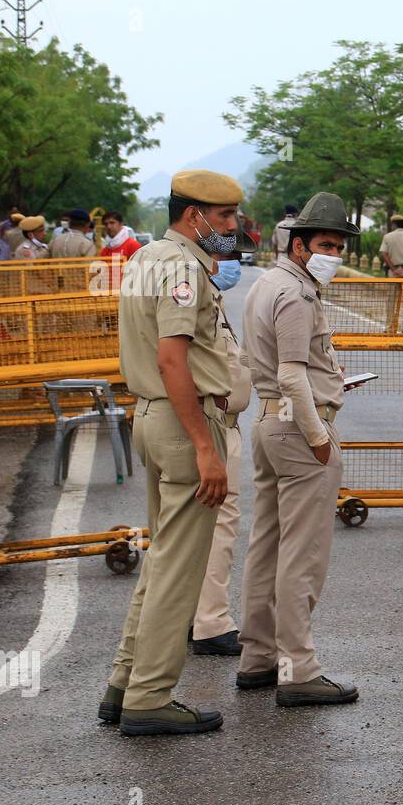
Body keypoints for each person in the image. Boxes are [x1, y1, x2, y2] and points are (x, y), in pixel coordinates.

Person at [99, 169, 240, 736]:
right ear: (193, 216)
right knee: (180, 571)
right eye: (225, 216)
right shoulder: (183, 267)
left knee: (161, 559)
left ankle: (123, 684)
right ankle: (149, 698)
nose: (233, 227)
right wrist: (207, 447)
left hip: (152, 417)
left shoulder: (145, 257)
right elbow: (172, 360)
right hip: (184, 422)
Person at [236, 192, 360, 707]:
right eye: (326, 244)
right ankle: (298, 668)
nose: (334, 253)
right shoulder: (298, 296)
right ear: (301, 244)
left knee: (267, 544)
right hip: (297, 432)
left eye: (340, 245)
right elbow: (291, 373)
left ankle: (258, 657)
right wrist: (318, 438)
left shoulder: (270, 282)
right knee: (302, 555)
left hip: (269, 424)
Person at [189, 245, 254, 657]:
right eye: (229, 257)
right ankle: (209, 623)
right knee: (217, 527)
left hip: (216, 423)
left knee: (200, 530)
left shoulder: (212, 297)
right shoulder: (197, 299)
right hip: (209, 425)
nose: (232, 267)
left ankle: (192, 617)